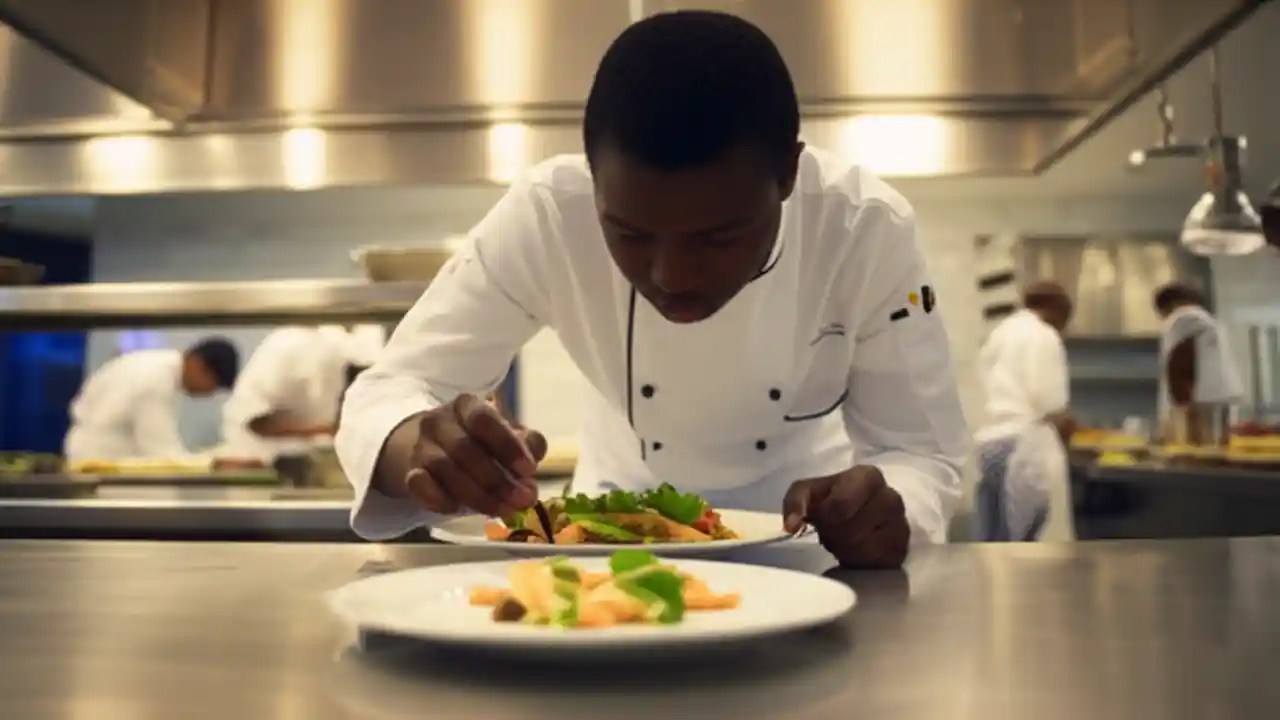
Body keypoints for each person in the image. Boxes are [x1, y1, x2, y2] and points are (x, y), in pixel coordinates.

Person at [336, 11, 969, 568]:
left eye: (719, 238)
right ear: (592, 181)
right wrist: (419, 445)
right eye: (631, 235)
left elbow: (922, 453)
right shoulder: (549, 215)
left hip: (808, 552)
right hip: (605, 554)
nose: (673, 276)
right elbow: (386, 391)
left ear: (787, 174)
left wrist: (884, 509)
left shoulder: (863, 228)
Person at [972, 282, 1075, 542]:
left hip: (990, 443)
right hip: (1026, 447)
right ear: (1057, 310)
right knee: (1028, 544)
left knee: (993, 542)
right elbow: (1050, 401)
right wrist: (1069, 432)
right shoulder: (1044, 335)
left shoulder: (1000, 333)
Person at [64, 338, 239, 461]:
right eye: (213, 386)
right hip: (102, 460)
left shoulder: (151, 362)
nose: (208, 394)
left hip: (88, 452)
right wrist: (215, 460)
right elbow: (162, 454)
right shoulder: (157, 381)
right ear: (200, 366)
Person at [218, 326, 355, 463]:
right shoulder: (292, 348)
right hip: (261, 452)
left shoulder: (327, 346)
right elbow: (256, 422)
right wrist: (325, 430)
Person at [1154, 282, 1243, 443]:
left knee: (1196, 450)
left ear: (1169, 305)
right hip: (1224, 398)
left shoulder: (1183, 318)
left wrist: (1179, 405)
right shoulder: (1211, 322)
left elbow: (1180, 361)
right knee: (1219, 447)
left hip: (1198, 402)